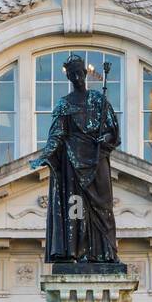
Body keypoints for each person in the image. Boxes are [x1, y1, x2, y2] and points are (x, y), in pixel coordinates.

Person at [29, 52, 120, 266]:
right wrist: (45, 155)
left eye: (80, 73)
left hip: (97, 160)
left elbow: (113, 131)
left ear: (85, 74)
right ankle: (77, 250)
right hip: (73, 161)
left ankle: (105, 252)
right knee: (76, 209)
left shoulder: (98, 99)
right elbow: (56, 135)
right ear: (69, 77)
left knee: (103, 206)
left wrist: (104, 137)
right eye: (73, 75)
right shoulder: (63, 104)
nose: (78, 78)